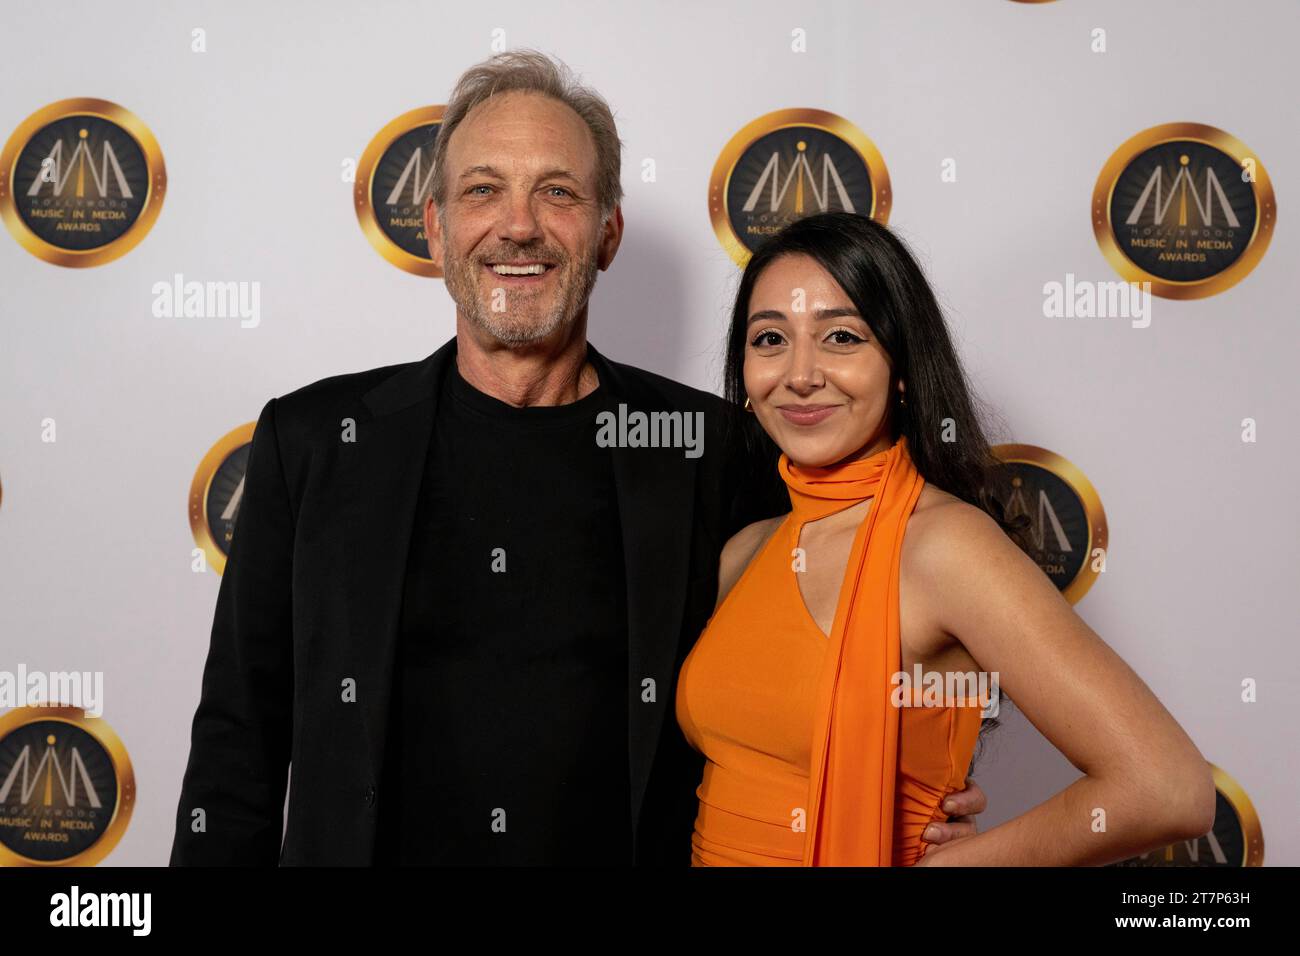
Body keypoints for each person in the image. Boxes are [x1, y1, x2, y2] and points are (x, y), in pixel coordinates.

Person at [169, 50, 986, 866]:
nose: (518, 224)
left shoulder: (713, 449)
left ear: (606, 234)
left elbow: (808, 664)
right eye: (482, 190)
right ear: (435, 227)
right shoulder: (314, 441)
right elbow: (237, 746)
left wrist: (915, 770)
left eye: (557, 192)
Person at [676, 211, 1217, 866]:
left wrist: (962, 864)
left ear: (901, 367)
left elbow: (1168, 788)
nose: (800, 373)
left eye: (841, 336)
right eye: (769, 340)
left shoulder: (944, 547)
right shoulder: (747, 549)